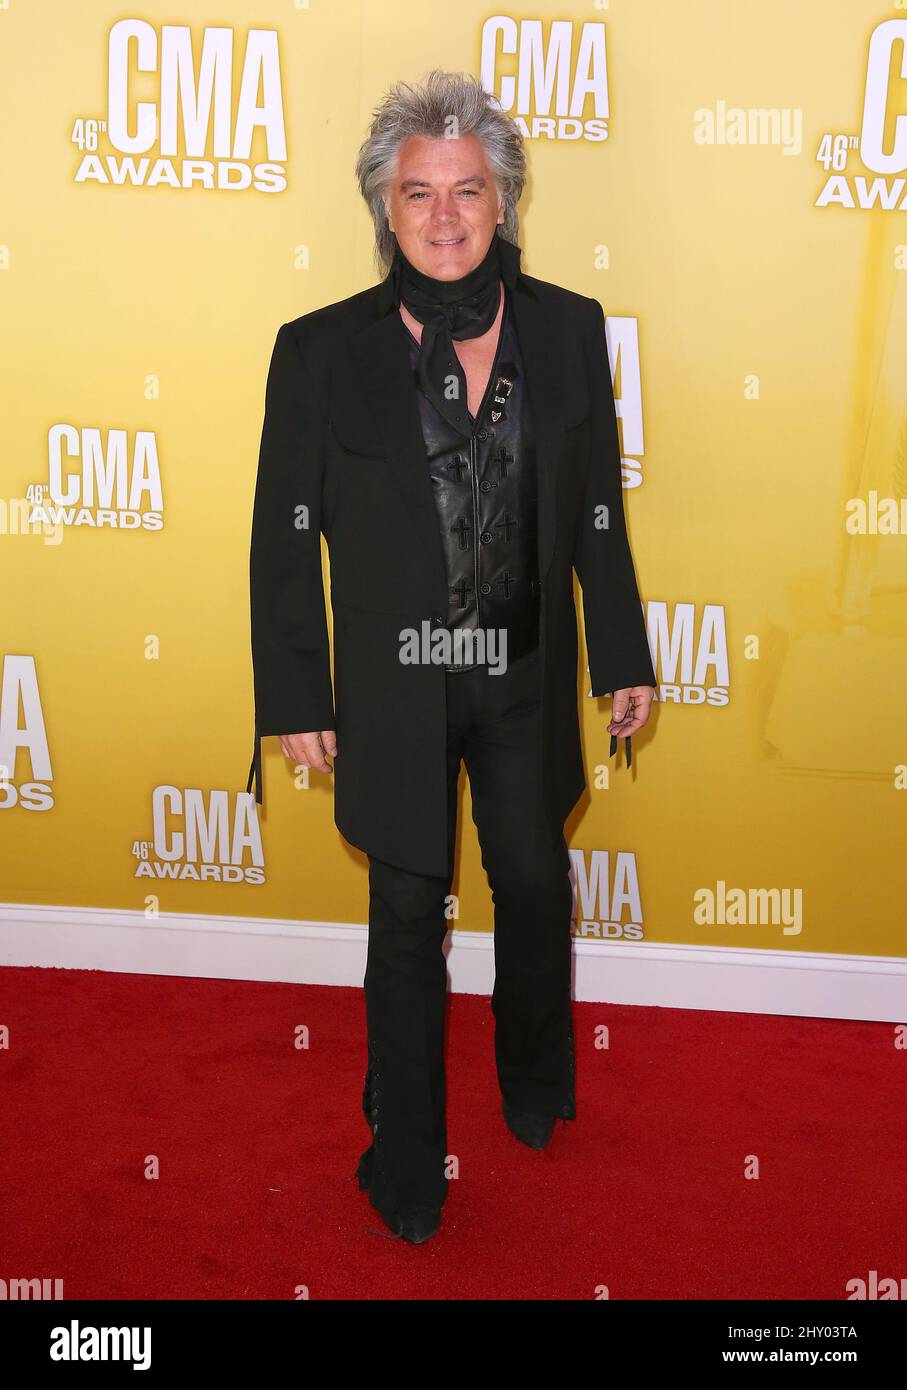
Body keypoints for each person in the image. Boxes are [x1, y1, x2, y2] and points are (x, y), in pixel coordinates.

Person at [247, 69, 656, 1245]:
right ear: (384, 207)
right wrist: (295, 693)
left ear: (502, 199)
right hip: (392, 682)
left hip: (525, 670)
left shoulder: (570, 328)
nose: (442, 215)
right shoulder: (318, 351)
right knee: (404, 912)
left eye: (466, 190)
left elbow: (593, 515)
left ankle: (532, 1083)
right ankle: (408, 1157)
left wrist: (618, 650)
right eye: (417, 192)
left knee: (533, 884)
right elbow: (285, 533)